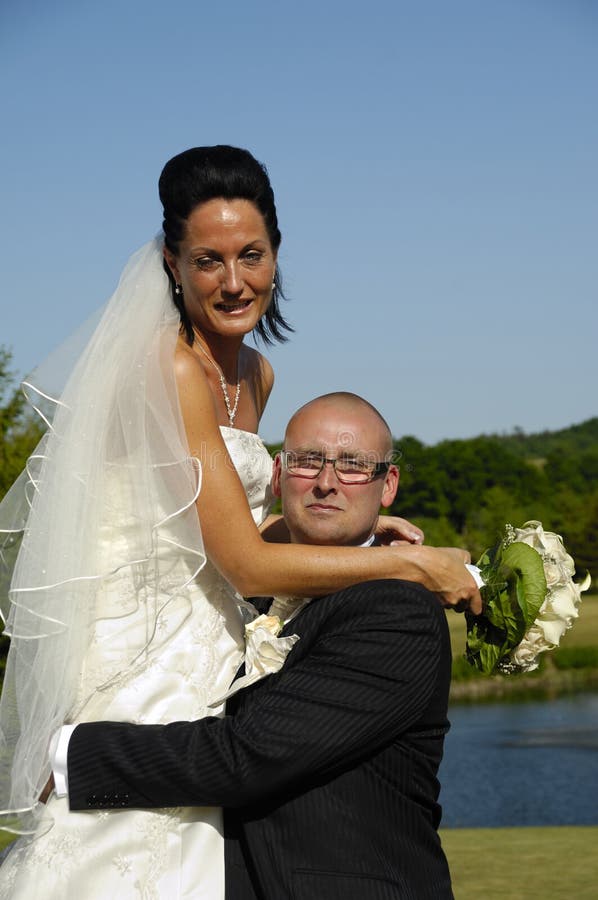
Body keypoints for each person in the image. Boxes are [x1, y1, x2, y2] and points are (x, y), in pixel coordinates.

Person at [0, 147, 477, 898]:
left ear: (276, 256)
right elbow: (247, 565)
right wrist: (414, 564)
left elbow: (233, 525)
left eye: (251, 255)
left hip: (216, 651)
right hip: (146, 648)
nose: (233, 282)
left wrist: (360, 532)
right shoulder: (172, 367)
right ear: (173, 263)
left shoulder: (257, 375)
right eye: (208, 259)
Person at [61, 392, 455, 899]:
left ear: (388, 485)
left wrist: (69, 753)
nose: (326, 482)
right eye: (307, 461)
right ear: (277, 474)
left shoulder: (395, 612)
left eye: (354, 466)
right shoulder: (259, 584)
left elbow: (246, 757)